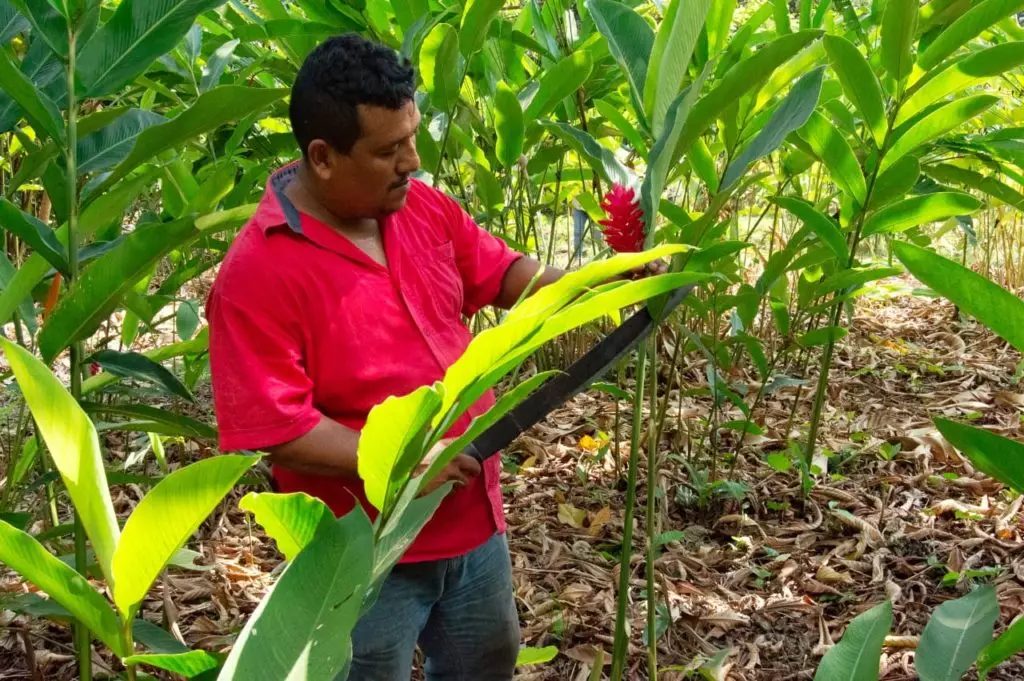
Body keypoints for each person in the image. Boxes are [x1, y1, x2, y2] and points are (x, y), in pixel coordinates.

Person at [207, 33, 658, 681]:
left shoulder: (422, 208)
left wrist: (609, 281)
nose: (412, 162)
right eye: (389, 150)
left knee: (487, 657)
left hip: (473, 524)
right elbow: (281, 430)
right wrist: (408, 463)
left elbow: (507, 276)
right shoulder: (258, 273)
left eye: (413, 138)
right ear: (323, 157)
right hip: (364, 554)